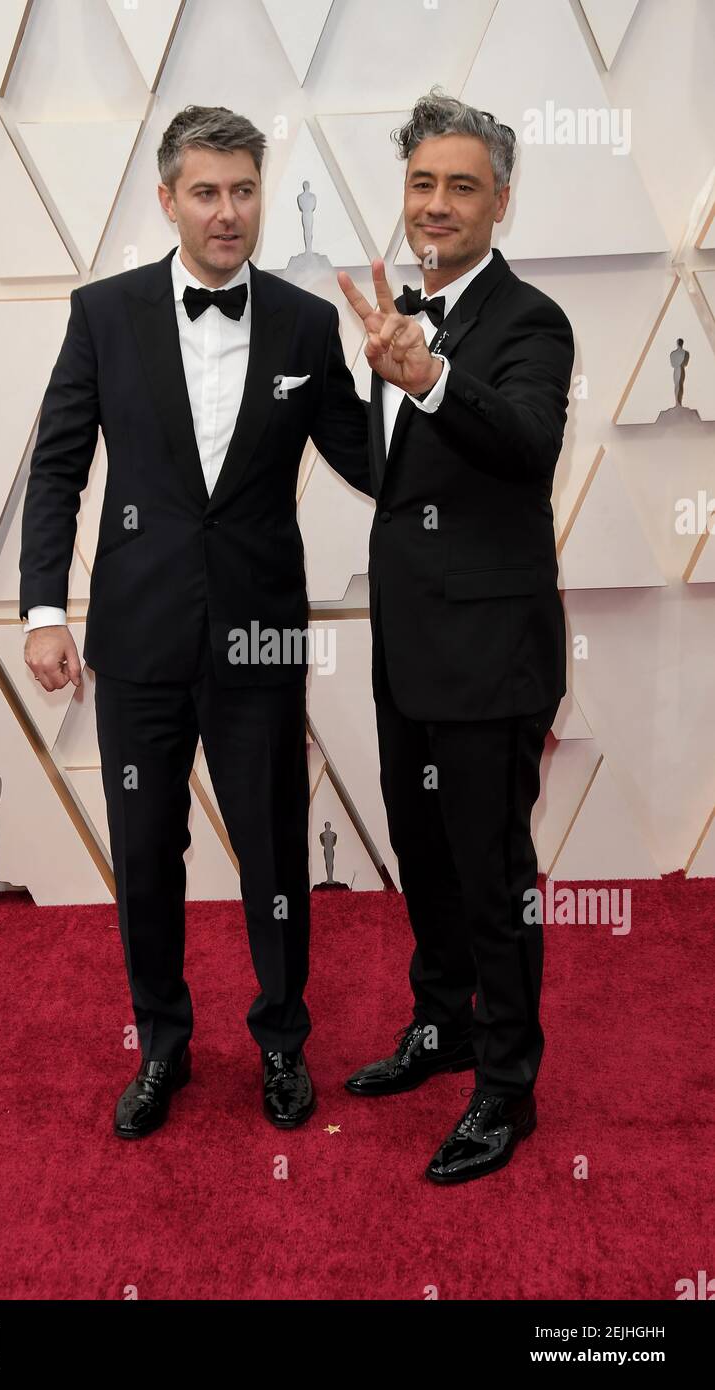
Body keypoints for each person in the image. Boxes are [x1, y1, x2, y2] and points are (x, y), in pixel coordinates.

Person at [19, 105, 372, 1139]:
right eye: (207, 192)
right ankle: (162, 1043)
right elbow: (57, 468)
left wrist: (415, 386)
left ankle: (279, 1043)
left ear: (263, 194)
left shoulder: (309, 325)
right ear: (166, 199)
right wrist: (44, 607)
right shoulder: (104, 313)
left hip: (259, 634)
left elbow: (371, 465)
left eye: (245, 190)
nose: (228, 213)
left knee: (270, 849)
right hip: (135, 635)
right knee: (144, 850)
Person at [337, 86, 575, 1184]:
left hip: (489, 657)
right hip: (406, 653)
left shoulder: (528, 321)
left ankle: (505, 1086)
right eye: (421, 183)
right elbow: (395, 483)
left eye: (460, 187)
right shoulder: (397, 312)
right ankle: (440, 1027)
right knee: (421, 856)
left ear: (501, 203)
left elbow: (522, 443)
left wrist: (428, 375)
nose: (435, 205)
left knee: (492, 873)